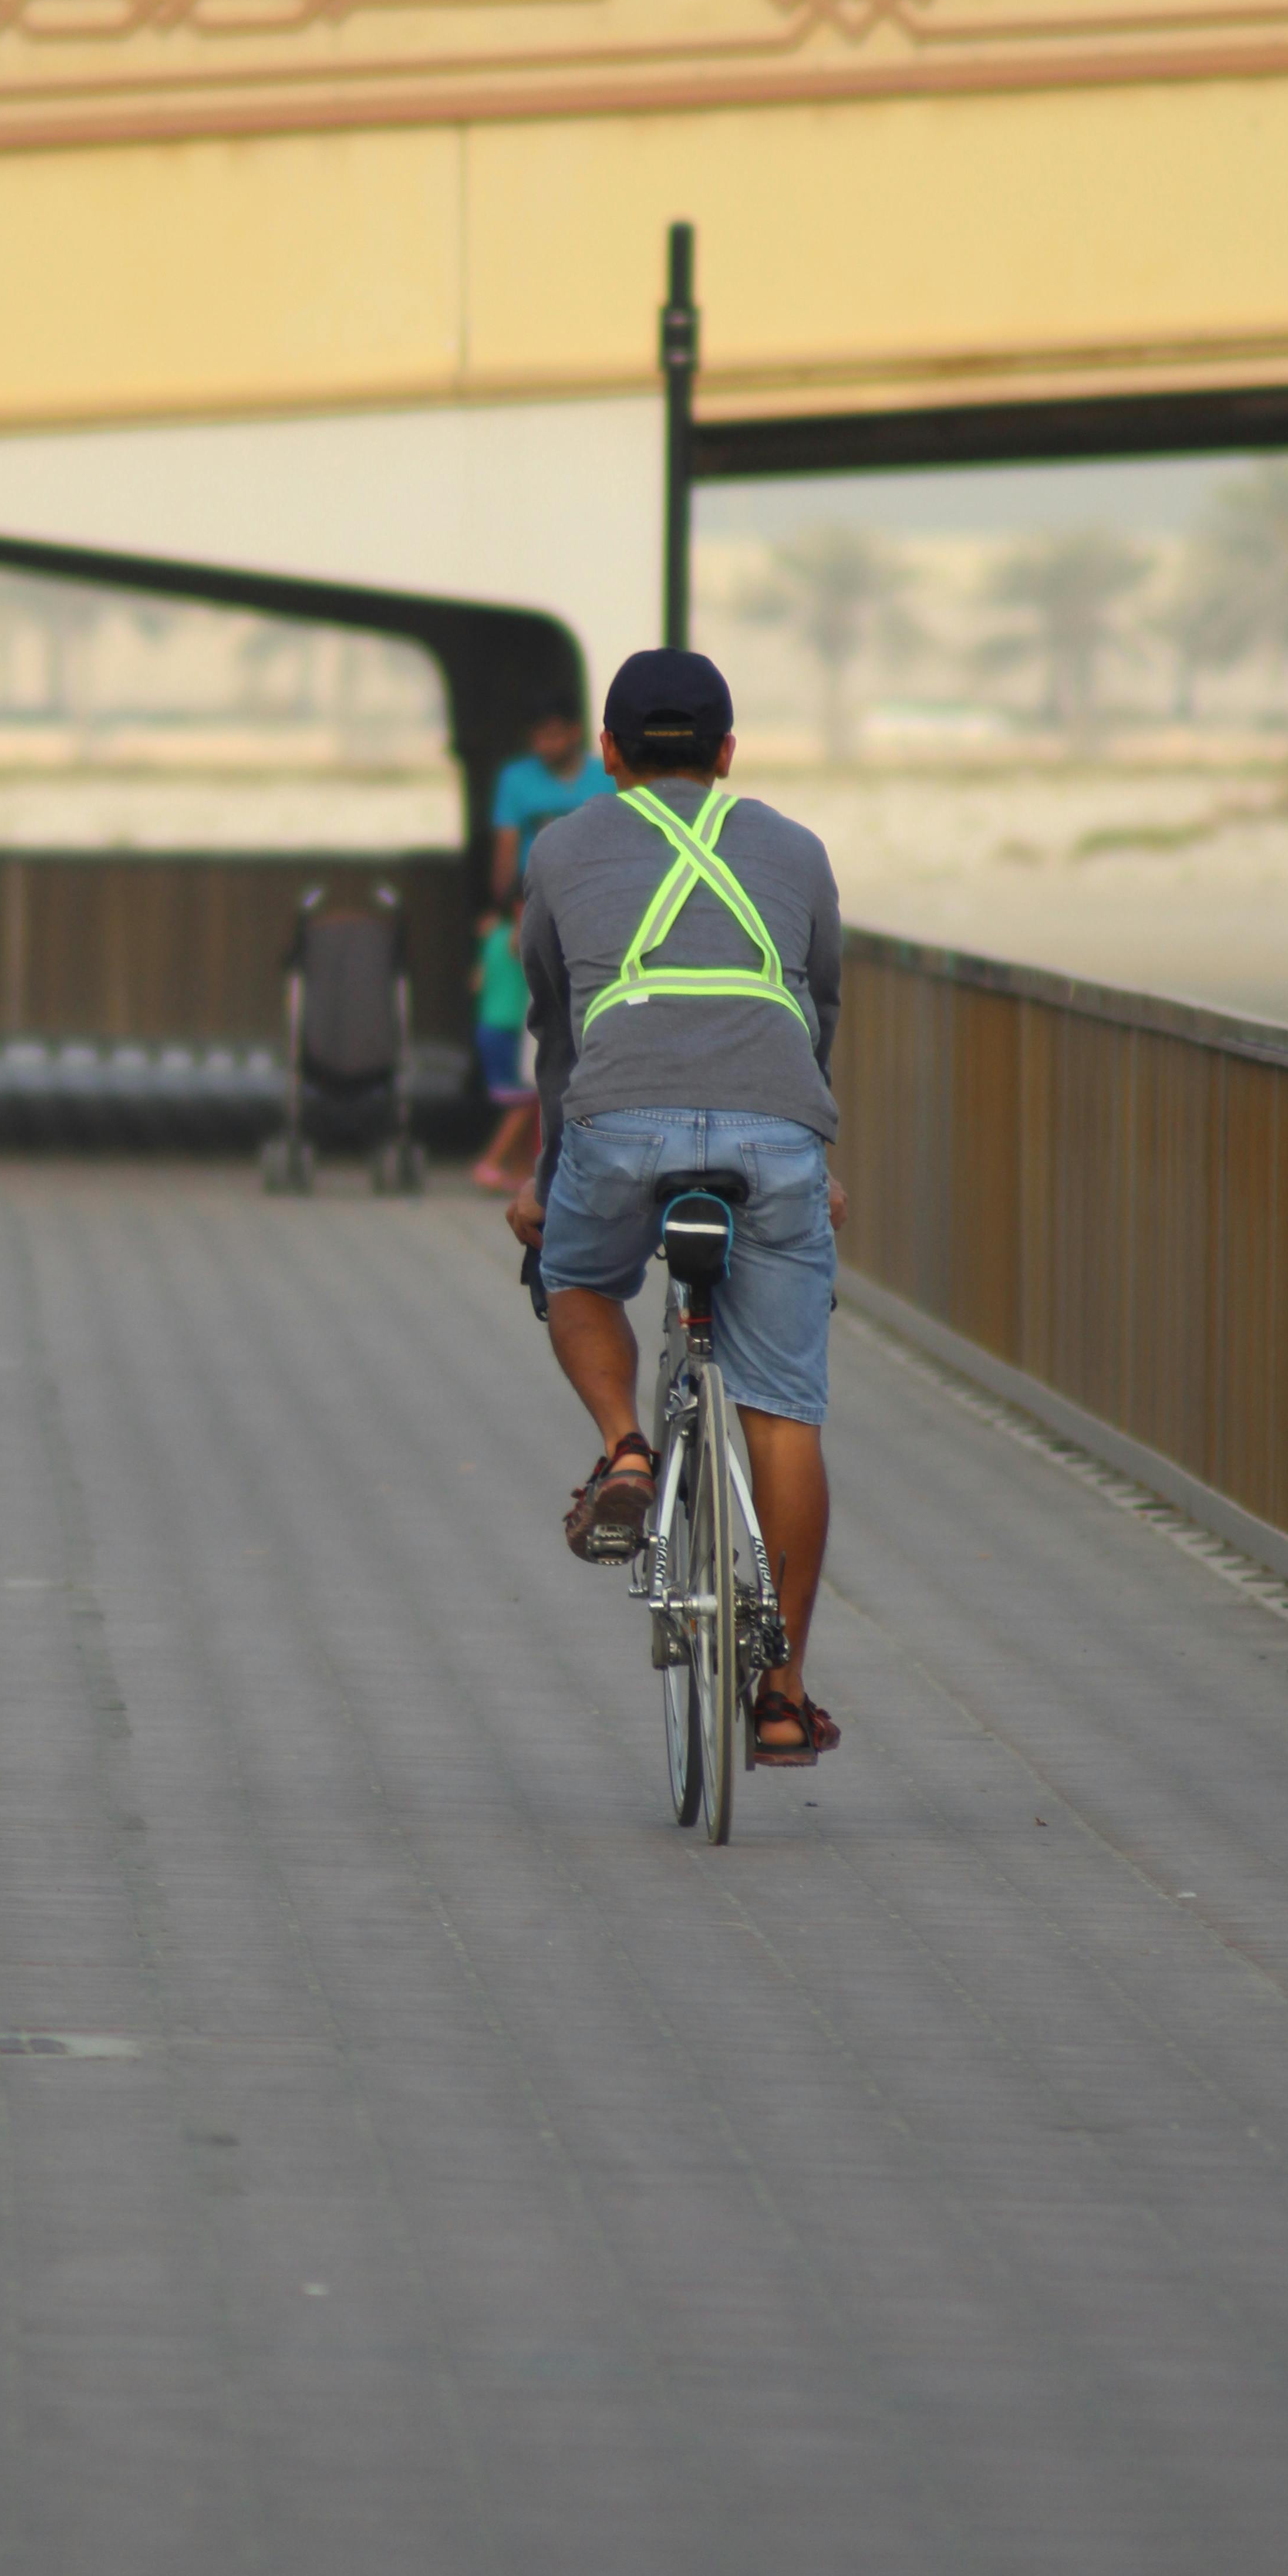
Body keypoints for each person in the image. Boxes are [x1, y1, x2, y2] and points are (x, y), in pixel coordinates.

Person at [505, 648, 848, 1765]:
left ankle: (625, 1450)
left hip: (620, 1124)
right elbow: (817, 1004)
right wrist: (807, 1144)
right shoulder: (794, 848)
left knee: (575, 1273)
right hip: (777, 1134)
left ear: (606, 756)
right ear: (729, 752)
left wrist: (548, 1180)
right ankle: (785, 1691)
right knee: (785, 1411)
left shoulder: (561, 847)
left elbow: (560, 1030)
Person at [490, 690, 614, 909]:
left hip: (597, 891)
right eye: (537, 737)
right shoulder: (515, 779)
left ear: (575, 733)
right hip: (534, 895)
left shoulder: (607, 774)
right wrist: (501, 910)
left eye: (552, 736)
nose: (544, 745)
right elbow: (506, 850)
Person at [470, 903, 541, 1193]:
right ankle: (490, 1163)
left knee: (515, 1098)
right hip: (508, 1028)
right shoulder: (516, 936)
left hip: (488, 1025)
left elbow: (476, 982)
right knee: (524, 1100)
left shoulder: (492, 935)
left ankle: (522, 1171)